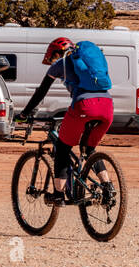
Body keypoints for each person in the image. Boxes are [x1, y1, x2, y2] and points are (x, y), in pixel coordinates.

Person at [18, 36, 116, 205]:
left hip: (84, 105)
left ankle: (58, 195)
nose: (53, 61)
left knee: (63, 148)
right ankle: (108, 186)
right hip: (107, 106)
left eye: (53, 57)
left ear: (57, 53)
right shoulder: (90, 63)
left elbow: (41, 92)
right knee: (89, 149)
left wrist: (24, 114)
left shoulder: (59, 64)